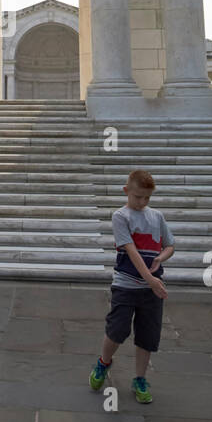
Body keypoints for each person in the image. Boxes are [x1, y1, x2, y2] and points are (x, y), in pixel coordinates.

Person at [90, 169, 174, 404]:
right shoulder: (121, 216)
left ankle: (140, 378)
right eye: (138, 197)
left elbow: (170, 244)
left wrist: (161, 258)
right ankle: (104, 362)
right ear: (127, 191)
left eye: (146, 198)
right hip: (126, 285)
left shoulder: (156, 216)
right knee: (117, 330)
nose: (142, 202)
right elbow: (131, 251)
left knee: (148, 335)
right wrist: (151, 279)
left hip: (151, 288)